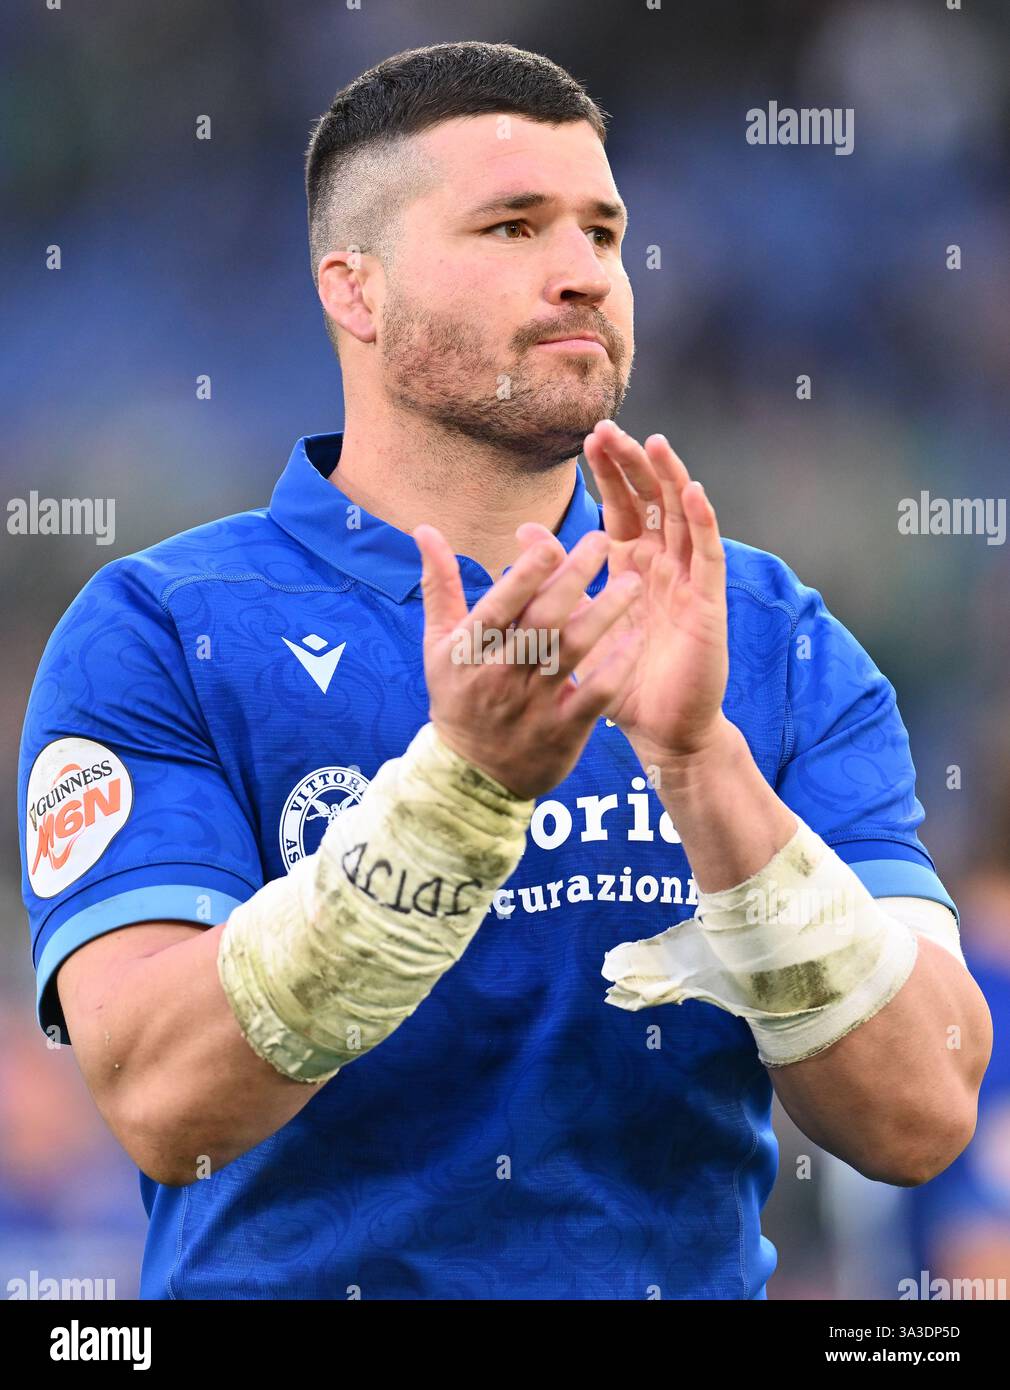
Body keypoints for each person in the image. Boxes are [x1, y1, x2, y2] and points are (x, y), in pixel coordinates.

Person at [18, 41, 991, 1300]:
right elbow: (163, 1102)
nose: (583, 271)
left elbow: (917, 1117)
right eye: (512, 226)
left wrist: (702, 771)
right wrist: (459, 795)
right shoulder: (157, 628)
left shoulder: (769, 629)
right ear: (353, 291)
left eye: (603, 230)